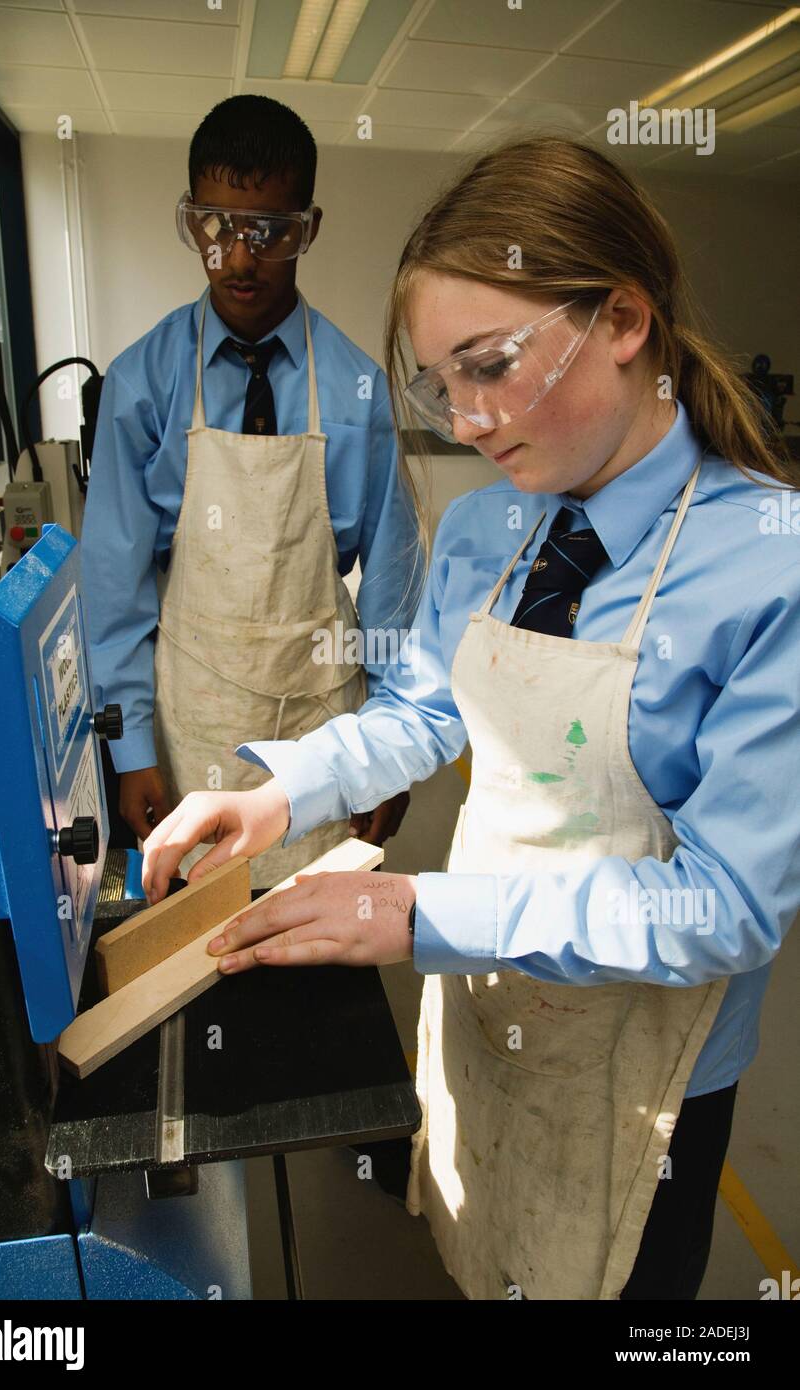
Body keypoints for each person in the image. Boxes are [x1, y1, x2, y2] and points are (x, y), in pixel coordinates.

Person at [140, 137, 800, 1301]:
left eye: (490, 365)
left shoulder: (765, 569)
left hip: (644, 1064)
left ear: (627, 319)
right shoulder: (497, 527)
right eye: (439, 383)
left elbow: (728, 907)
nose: (468, 418)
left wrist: (414, 911)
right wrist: (282, 791)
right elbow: (424, 708)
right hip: (482, 993)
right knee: (481, 1255)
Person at [82, 95, 414, 886]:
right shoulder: (143, 383)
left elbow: (395, 593)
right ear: (192, 220)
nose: (237, 259)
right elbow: (114, 587)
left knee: (316, 962)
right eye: (215, 228)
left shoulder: (357, 390)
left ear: (306, 227)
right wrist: (128, 752)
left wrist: (391, 750)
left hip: (320, 725)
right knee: (191, 954)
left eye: (267, 233)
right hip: (187, 722)